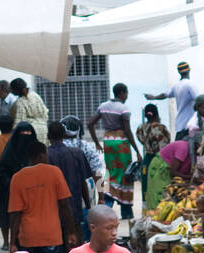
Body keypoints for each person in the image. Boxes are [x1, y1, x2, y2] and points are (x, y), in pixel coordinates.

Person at [8, 141, 78, 253]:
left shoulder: (17, 177)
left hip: (28, 237)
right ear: (41, 155)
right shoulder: (54, 172)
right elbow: (65, 206)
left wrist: (13, 242)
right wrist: (71, 231)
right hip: (51, 236)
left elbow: (15, 214)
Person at [89, 83, 140, 220]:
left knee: (112, 174)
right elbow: (128, 131)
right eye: (126, 93)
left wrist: (96, 142)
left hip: (108, 142)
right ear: (122, 93)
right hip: (121, 144)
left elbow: (90, 124)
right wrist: (137, 150)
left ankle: (107, 206)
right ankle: (126, 211)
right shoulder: (123, 109)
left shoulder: (103, 106)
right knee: (125, 175)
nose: (127, 96)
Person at [45, 120, 92, 239]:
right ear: (64, 135)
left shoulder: (44, 156)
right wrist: (87, 206)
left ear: (48, 136)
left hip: (51, 209)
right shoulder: (77, 153)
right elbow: (83, 183)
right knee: (75, 242)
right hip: (74, 206)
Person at [0, 120, 39, 234]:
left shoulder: (36, 150)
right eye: (23, 133)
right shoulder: (9, 152)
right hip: (11, 190)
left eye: (28, 133)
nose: (26, 136)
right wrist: (13, 183)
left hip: (34, 190)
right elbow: (3, 171)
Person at [136, 104, 173, 212]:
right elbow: (165, 146)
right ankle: (159, 211)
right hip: (158, 160)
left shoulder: (141, 128)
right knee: (159, 187)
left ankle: (146, 212)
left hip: (146, 160)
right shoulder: (160, 128)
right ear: (157, 113)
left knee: (146, 188)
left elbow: (141, 139)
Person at [10, 78, 50, 145]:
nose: (11, 91)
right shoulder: (35, 95)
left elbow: (19, 123)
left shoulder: (20, 103)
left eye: (12, 89)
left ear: (16, 90)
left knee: (32, 154)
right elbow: (45, 113)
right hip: (44, 130)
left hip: (32, 133)